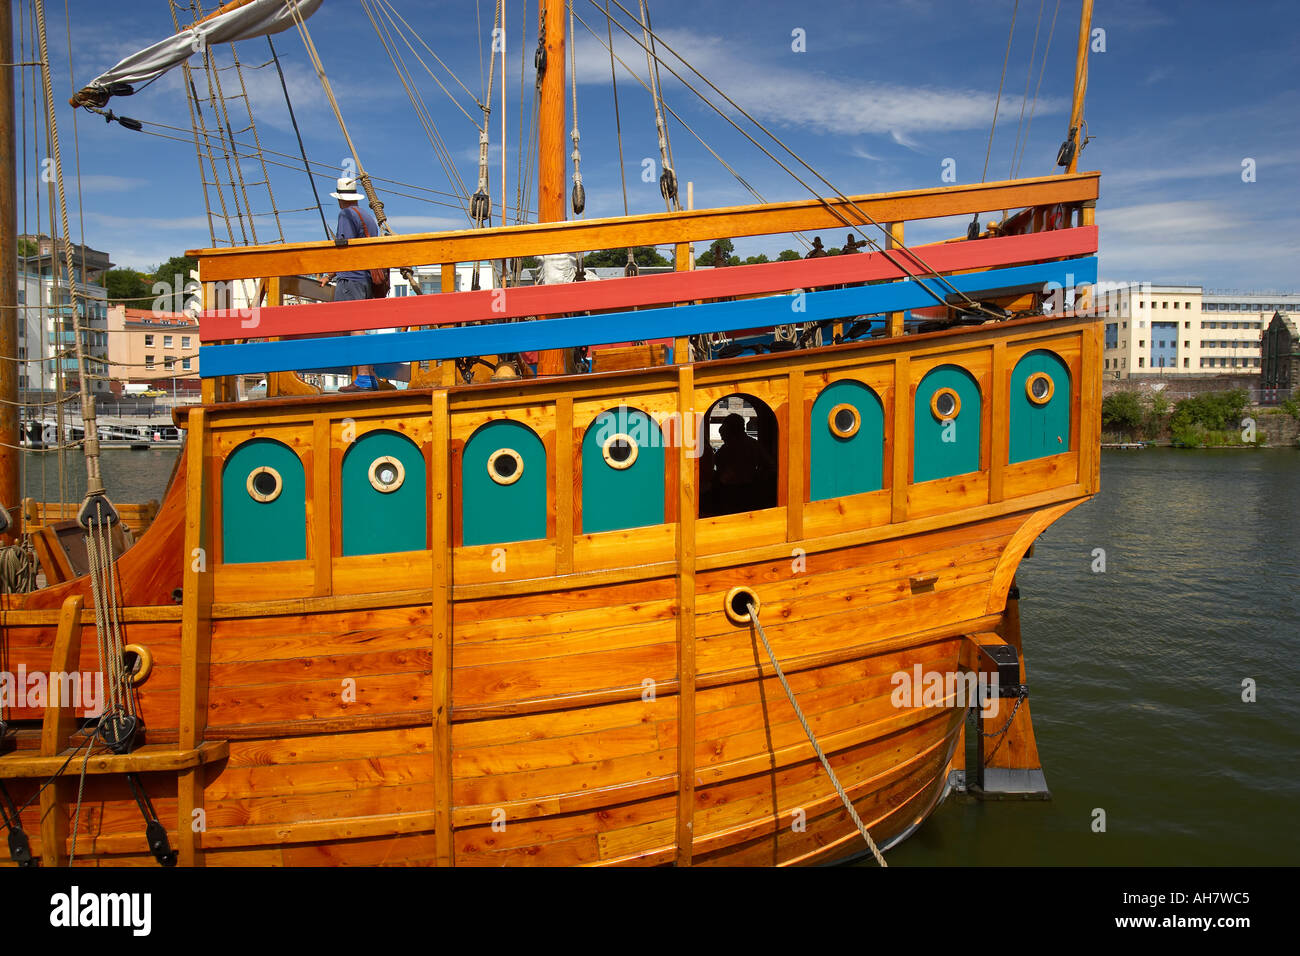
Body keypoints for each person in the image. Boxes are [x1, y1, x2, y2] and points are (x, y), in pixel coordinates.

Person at [319, 176, 385, 391]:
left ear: (339, 198)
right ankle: (371, 375)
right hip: (366, 278)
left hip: (351, 277)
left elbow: (342, 248)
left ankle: (363, 378)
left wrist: (328, 275)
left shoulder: (346, 214)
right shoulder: (367, 216)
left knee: (354, 327)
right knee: (361, 326)